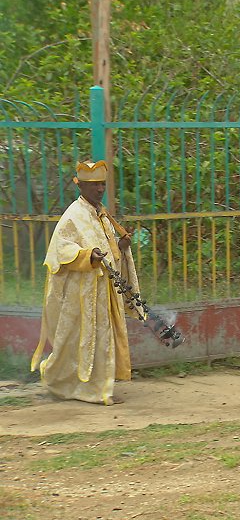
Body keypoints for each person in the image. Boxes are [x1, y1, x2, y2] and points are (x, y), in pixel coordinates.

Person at [30, 160, 143, 405]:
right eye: (93, 185)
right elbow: (59, 250)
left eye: (102, 184)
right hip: (81, 294)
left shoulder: (101, 214)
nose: (99, 189)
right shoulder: (73, 215)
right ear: (79, 185)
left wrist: (121, 247)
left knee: (102, 338)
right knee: (77, 340)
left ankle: (99, 388)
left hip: (103, 291)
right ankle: (65, 382)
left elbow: (109, 249)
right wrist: (86, 255)